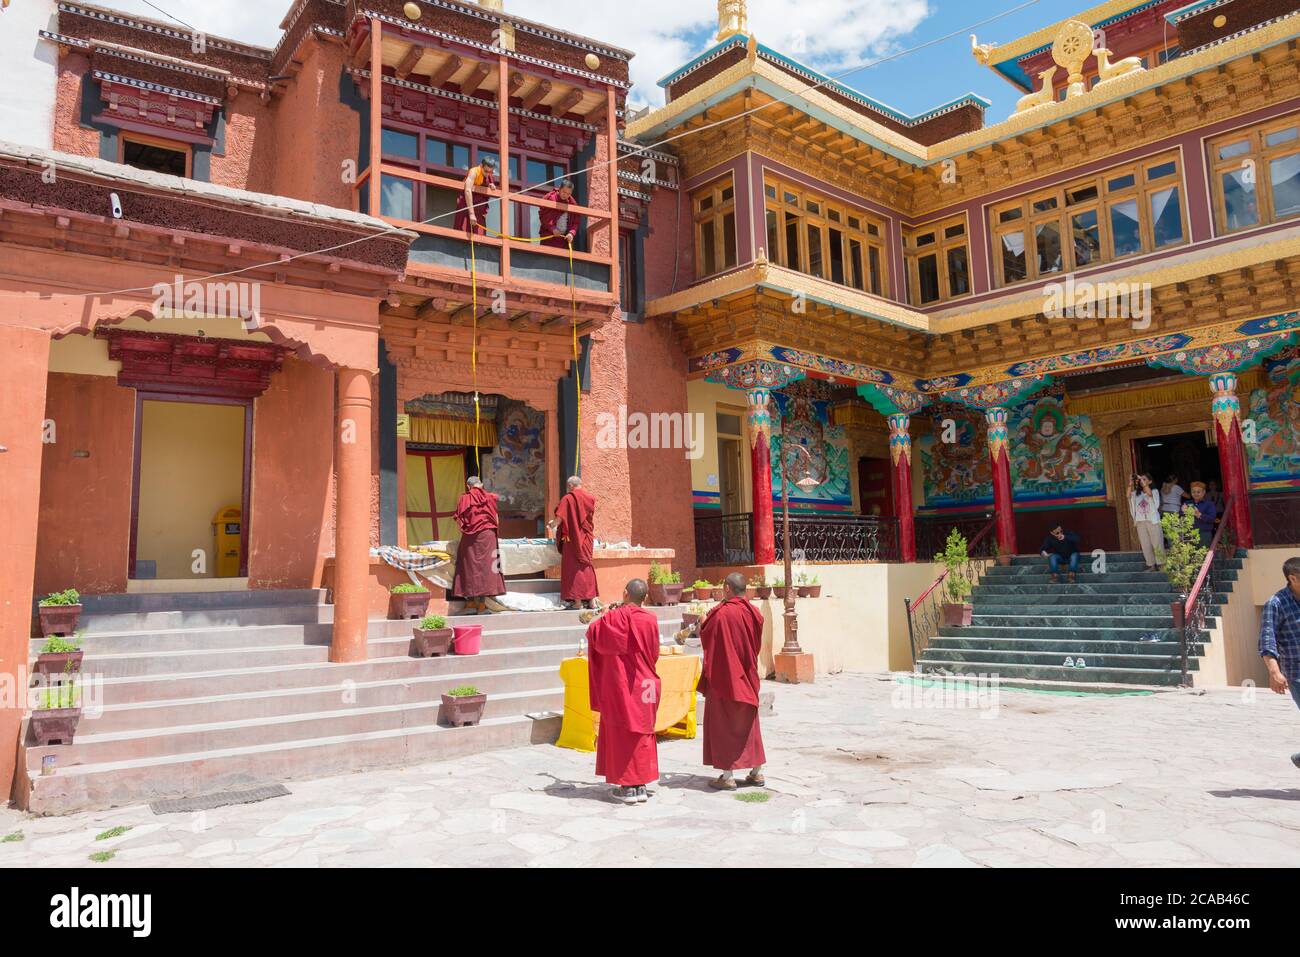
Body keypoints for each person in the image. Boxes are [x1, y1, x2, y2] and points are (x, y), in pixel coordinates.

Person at [585, 579, 661, 804]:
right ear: (645, 598)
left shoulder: (613, 619)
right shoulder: (651, 620)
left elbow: (593, 634)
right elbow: (654, 653)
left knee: (623, 733)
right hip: (646, 683)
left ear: (625, 593)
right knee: (642, 733)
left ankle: (628, 787)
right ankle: (640, 786)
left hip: (623, 686)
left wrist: (606, 615)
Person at [699, 573, 766, 790]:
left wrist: (702, 624)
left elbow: (710, 636)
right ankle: (756, 772)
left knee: (723, 724)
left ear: (727, 588)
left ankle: (727, 775)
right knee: (749, 723)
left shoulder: (722, 614)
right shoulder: (754, 613)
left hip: (726, 676)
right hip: (747, 674)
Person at [1260, 556, 1300, 770]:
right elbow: (1268, 640)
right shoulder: (1275, 603)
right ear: (1292, 578)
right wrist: (1274, 672)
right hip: (1296, 672)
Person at [451, 476, 506, 614]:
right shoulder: (490, 497)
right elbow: (496, 519)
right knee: (487, 567)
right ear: (480, 485)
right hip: (488, 536)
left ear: (469, 486)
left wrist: (466, 530)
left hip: (471, 536)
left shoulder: (465, 498)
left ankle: (470, 603)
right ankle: (482, 605)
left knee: (468, 566)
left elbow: (459, 519)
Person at [554, 475, 597, 610]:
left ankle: (578, 603)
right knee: (586, 566)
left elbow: (559, 518)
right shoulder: (590, 498)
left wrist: (552, 524)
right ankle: (592, 601)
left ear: (570, 486)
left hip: (571, 540)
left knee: (573, 569)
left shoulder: (568, 498)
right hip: (586, 539)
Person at [1129, 473, 1164, 571]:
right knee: (1145, 544)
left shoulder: (1154, 491)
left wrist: (1142, 481)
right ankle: (1151, 564)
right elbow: (1128, 495)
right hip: (1141, 521)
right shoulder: (1136, 493)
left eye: (1144, 479)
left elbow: (1149, 494)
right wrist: (1130, 483)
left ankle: (1161, 564)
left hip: (1152, 520)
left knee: (1157, 542)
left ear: (1150, 481)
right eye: (1140, 479)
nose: (1141, 481)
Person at [454, 155, 497, 235]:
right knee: (462, 232)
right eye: (486, 171)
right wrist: (471, 214)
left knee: (479, 236)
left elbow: (489, 180)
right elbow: (467, 190)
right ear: (481, 166)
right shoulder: (474, 172)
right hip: (467, 205)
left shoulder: (489, 176)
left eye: (491, 172)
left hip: (479, 210)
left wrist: (491, 184)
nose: (488, 174)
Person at [538, 178, 582, 248]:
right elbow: (543, 216)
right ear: (559, 189)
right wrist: (552, 228)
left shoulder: (572, 203)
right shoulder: (551, 198)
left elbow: (576, 221)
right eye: (564, 192)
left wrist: (571, 233)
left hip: (563, 240)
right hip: (548, 237)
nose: (565, 195)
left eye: (568, 194)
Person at [1186, 481, 1218, 546]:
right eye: (1193, 492)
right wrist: (1183, 511)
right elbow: (1179, 517)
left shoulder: (1209, 504)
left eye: (1198, 492)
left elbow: (1212, 519)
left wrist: (1200, 515)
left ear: (1204, 492)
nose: (1196, 494)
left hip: (1204, 534)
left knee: (1204, 554)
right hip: (1189, 534)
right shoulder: (1187, 503)